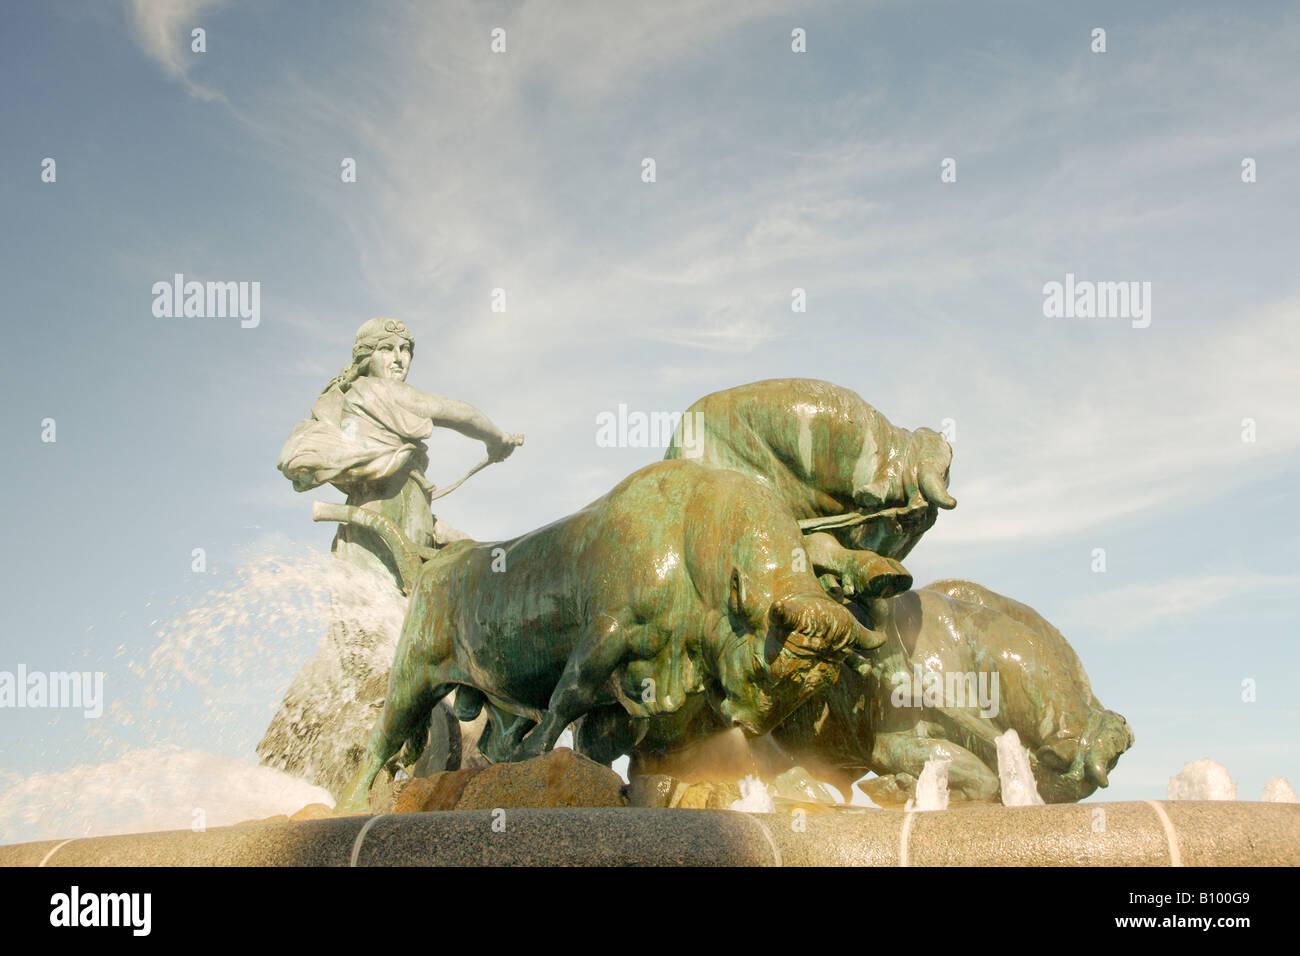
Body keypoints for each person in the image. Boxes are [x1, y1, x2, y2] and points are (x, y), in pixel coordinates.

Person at [278, 317, 523, 586]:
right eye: (386, 348)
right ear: (366, 358)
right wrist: (497, 439)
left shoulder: (355, 397)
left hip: (392, 524)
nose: (399, 358)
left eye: (405, 349)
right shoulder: (379, 389)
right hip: (387, 528)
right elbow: (461, 413)